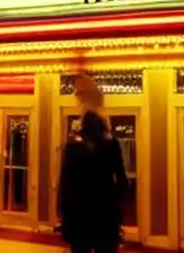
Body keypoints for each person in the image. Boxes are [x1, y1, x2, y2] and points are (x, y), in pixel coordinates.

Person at [57, 75, 127, 253]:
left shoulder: (73, 148)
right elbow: (121, 180)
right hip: (105, 216)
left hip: (80, 217)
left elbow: (66, 185)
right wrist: (117, 209)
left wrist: (65, 214)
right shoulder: (111, 145)